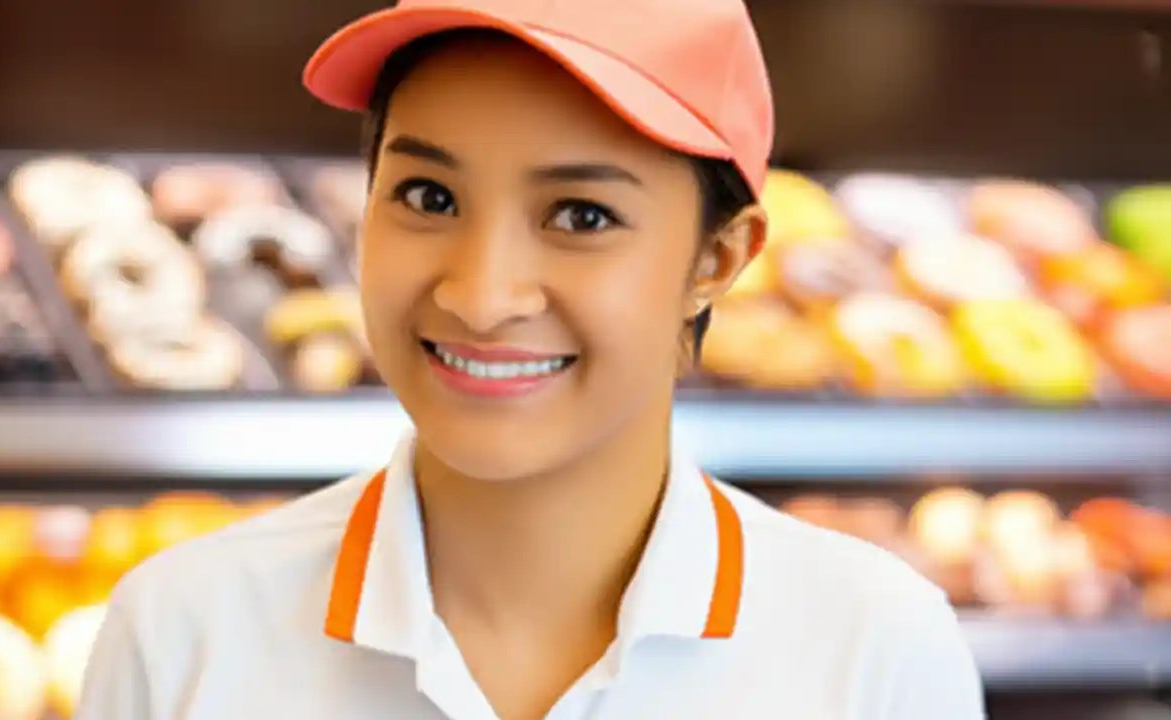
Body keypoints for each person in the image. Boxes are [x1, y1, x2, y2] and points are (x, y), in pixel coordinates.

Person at [76, 0, 986, 718]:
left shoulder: (875, 649)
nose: (480, 293)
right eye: (428, 196)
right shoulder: (181, 634)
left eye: (581, 216)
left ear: (716, 259)